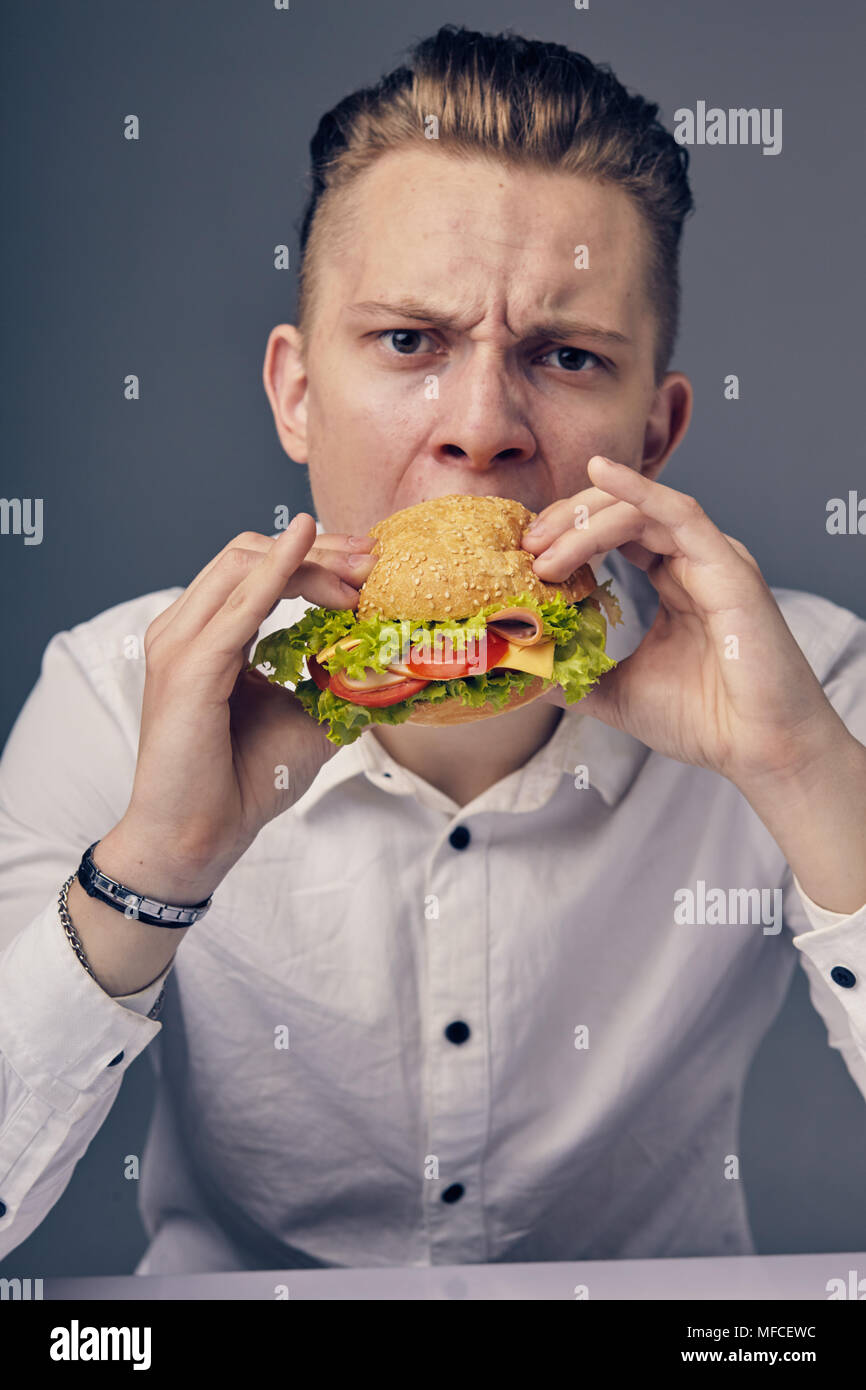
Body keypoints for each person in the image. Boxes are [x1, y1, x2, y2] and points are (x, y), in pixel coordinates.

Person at [1, 25, 864, 1275]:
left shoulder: (806, 686)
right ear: (296, 394)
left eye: (565, 357)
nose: (479, 430)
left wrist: (799, 773)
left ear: (654, 432)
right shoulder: (114, 690)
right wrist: (159, 864)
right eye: (408, 341)